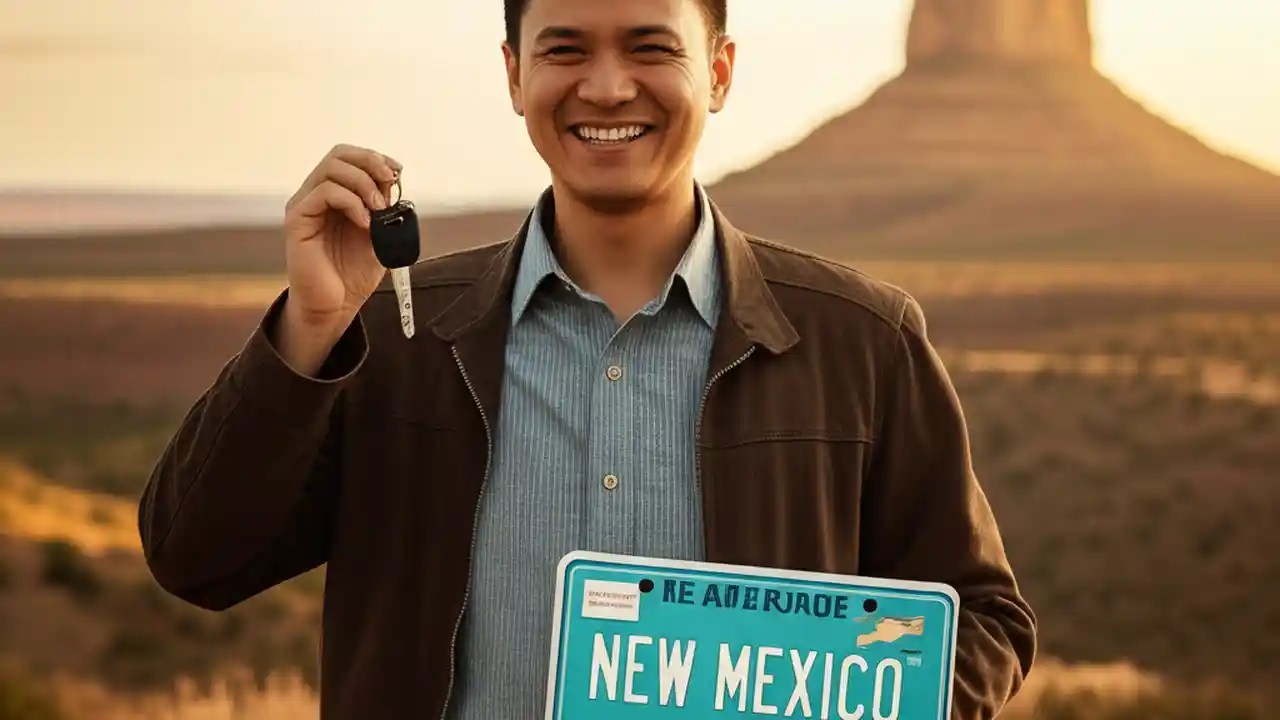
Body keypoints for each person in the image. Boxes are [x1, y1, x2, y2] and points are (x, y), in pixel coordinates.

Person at [138, 0, 1036, 717]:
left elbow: (983, 624)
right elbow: (196, 558)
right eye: (565, 50)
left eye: (650, 47)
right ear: (515, 74)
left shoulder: (863, 342)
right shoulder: (391, 338)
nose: (607, 89)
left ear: (718, 72)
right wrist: (311, 325)